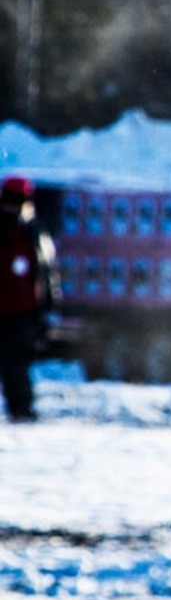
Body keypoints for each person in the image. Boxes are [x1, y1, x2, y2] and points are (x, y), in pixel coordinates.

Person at [1, 177, 57, 421]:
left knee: (17, 365)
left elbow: (46, 273)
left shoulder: (33, 233)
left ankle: (21, 409)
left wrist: (47, 310)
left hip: (22, 311)